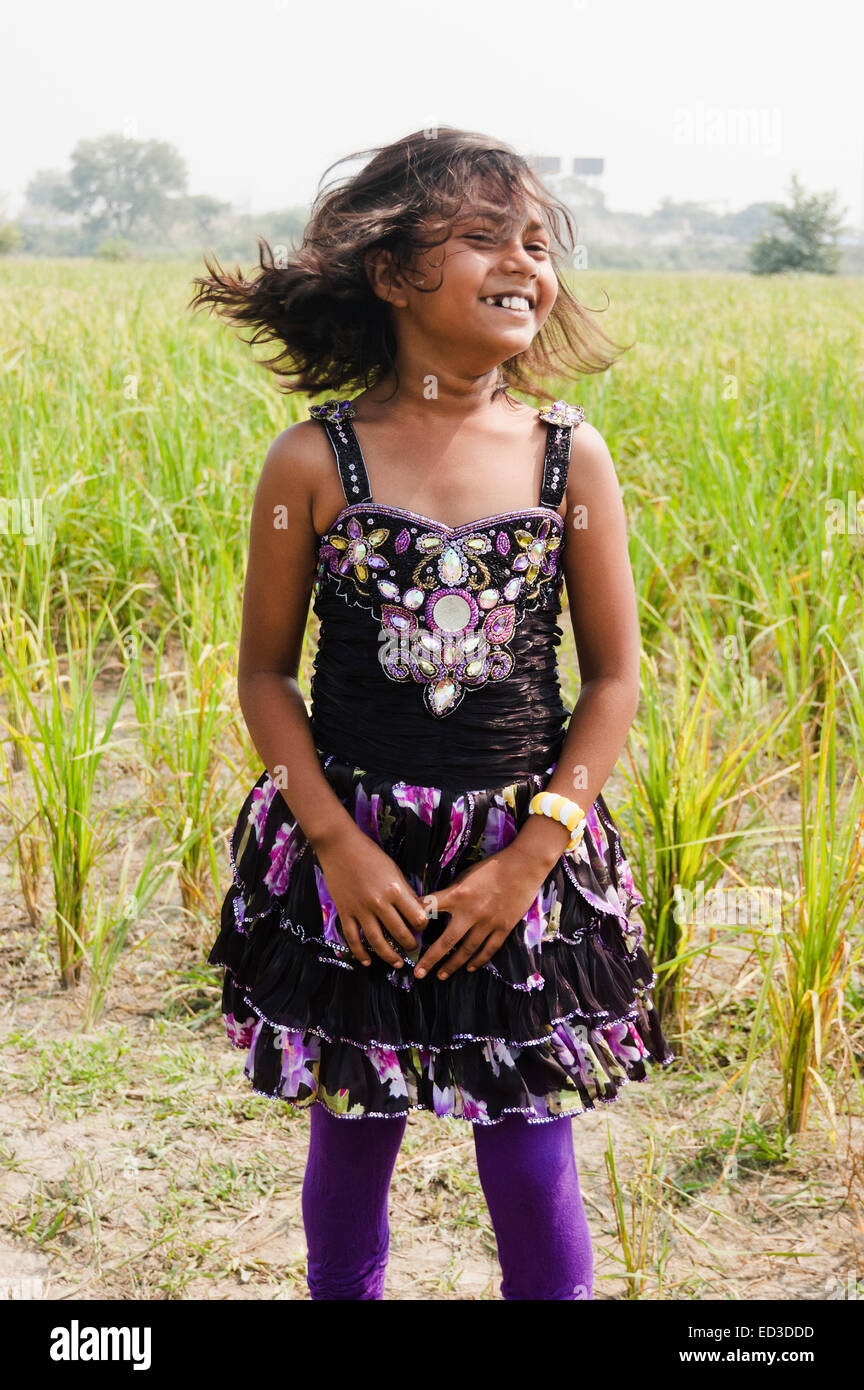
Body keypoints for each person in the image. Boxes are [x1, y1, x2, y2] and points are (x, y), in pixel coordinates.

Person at [189, 126, 675, 1302]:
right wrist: (334, 841)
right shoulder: (314, 460)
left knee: (531, 1142)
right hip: (352, 854)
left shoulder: (572, 458)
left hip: (526, 852)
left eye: (536, 240)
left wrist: (537, 850)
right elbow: (265, 674)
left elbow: (615, 676)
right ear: (392, 269)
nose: (524, 260)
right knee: (351, 1128)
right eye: (481, 237)